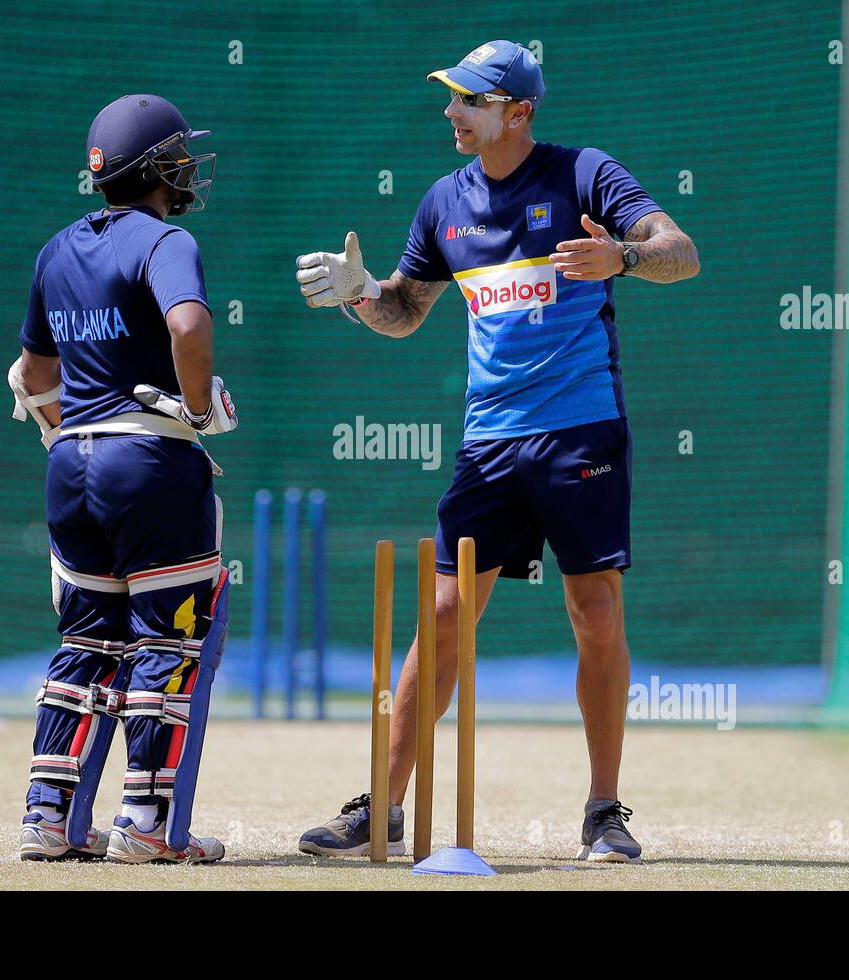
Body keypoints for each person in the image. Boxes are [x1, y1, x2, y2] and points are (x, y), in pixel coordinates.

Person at [294, 41, 699, 863]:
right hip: (489, 444)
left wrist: (621, 255)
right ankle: (383, 806)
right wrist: (360, 294)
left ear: (518, 111)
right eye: (451, 98)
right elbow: (406, 311)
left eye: (470, 101)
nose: (452, 112)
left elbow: (681, 253)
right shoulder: (445, 200)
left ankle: (603, 811)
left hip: (582, 433)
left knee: (595, 613)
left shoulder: (585, 174)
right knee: (440, 619)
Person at [8, 94, 237, 864]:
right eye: (177, 156)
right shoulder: (165, 240)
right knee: (168, 641)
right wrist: (199, 407)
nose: (186, 169)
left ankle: (49, 817)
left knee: (84, 642)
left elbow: (36, 372)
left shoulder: (54, 250)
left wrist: (66, 419)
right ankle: (146, 825)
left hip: (70, 463)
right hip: (149, 461)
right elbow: (188, 325)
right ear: (156, 168)